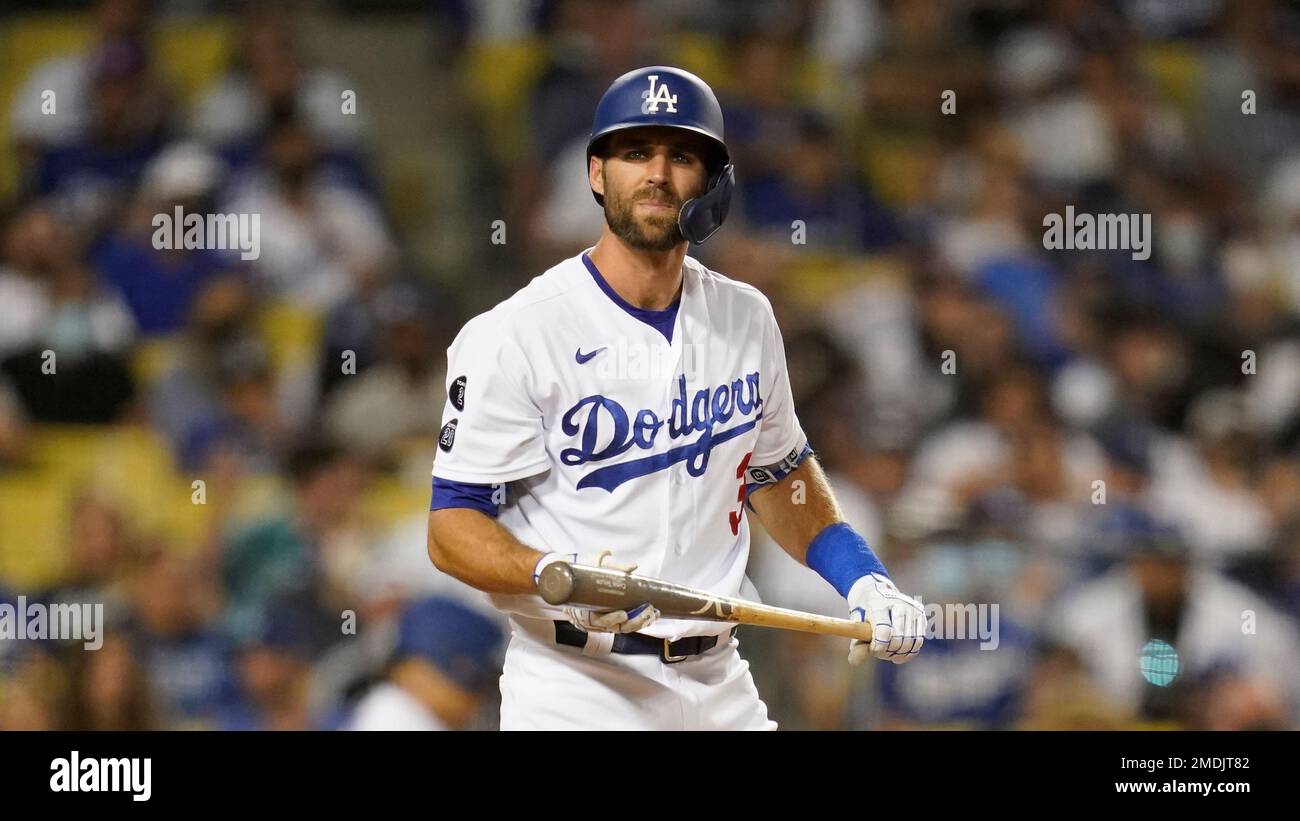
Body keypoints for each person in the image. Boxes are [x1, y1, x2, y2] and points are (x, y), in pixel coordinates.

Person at [425, 66, 926, 730]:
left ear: (713, 183)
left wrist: (862, 576)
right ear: (596, 174)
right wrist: (550, 571)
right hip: (577, 684)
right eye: (635, 152)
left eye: (681, 155)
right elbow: (451, 526)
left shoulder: (746, 317)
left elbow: (780, 477)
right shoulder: (515, 334)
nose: (657, 173)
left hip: (717, 678)